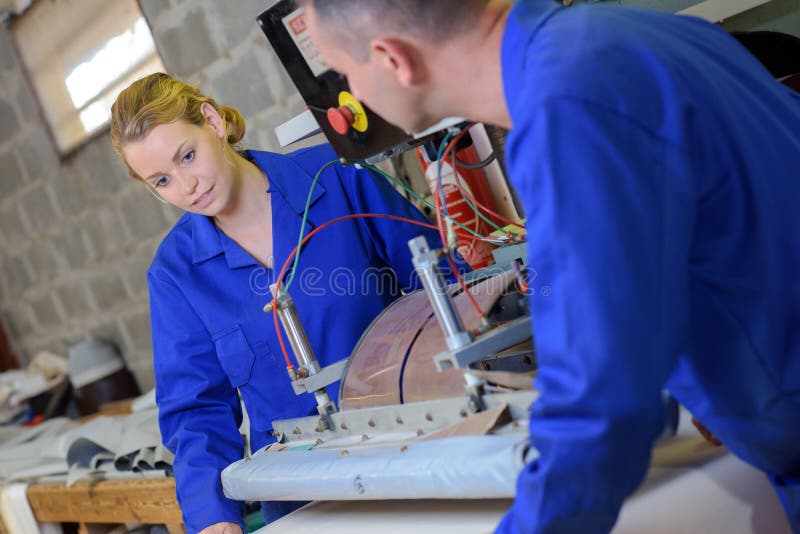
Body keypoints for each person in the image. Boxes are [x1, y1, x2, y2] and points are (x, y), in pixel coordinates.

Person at [301, 0, 800, 531]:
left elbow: (598, 404)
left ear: (393, 59)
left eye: (346, 72)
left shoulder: (567, 105)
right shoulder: (623, 34)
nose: (351, 90)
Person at [109, 72, 457, 533]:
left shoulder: (336, 178)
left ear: (212, 122)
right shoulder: (176, 273)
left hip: (419, 451)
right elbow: (197, 409)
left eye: (187, 156)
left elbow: (445, 287)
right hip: (305, 500)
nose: (187, 186)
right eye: (162, 181)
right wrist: (212, 516)